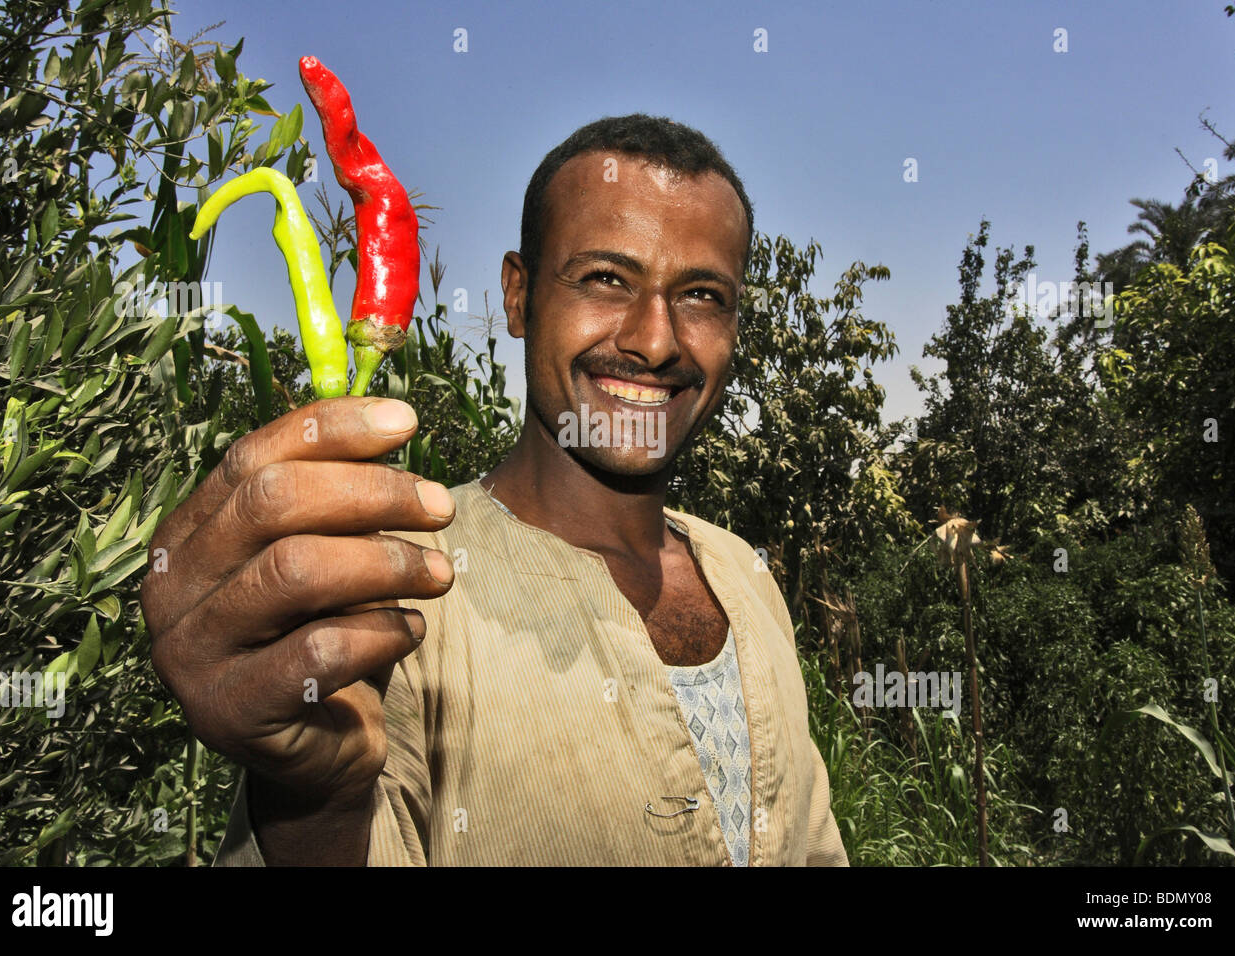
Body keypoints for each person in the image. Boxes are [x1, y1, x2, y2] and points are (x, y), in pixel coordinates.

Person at [141, 113, 848, 866]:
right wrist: (313, 800)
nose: (655, 339)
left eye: (702, 295)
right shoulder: (392, 586)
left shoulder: (746, 573)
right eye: (607, 279)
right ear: (518, 297)